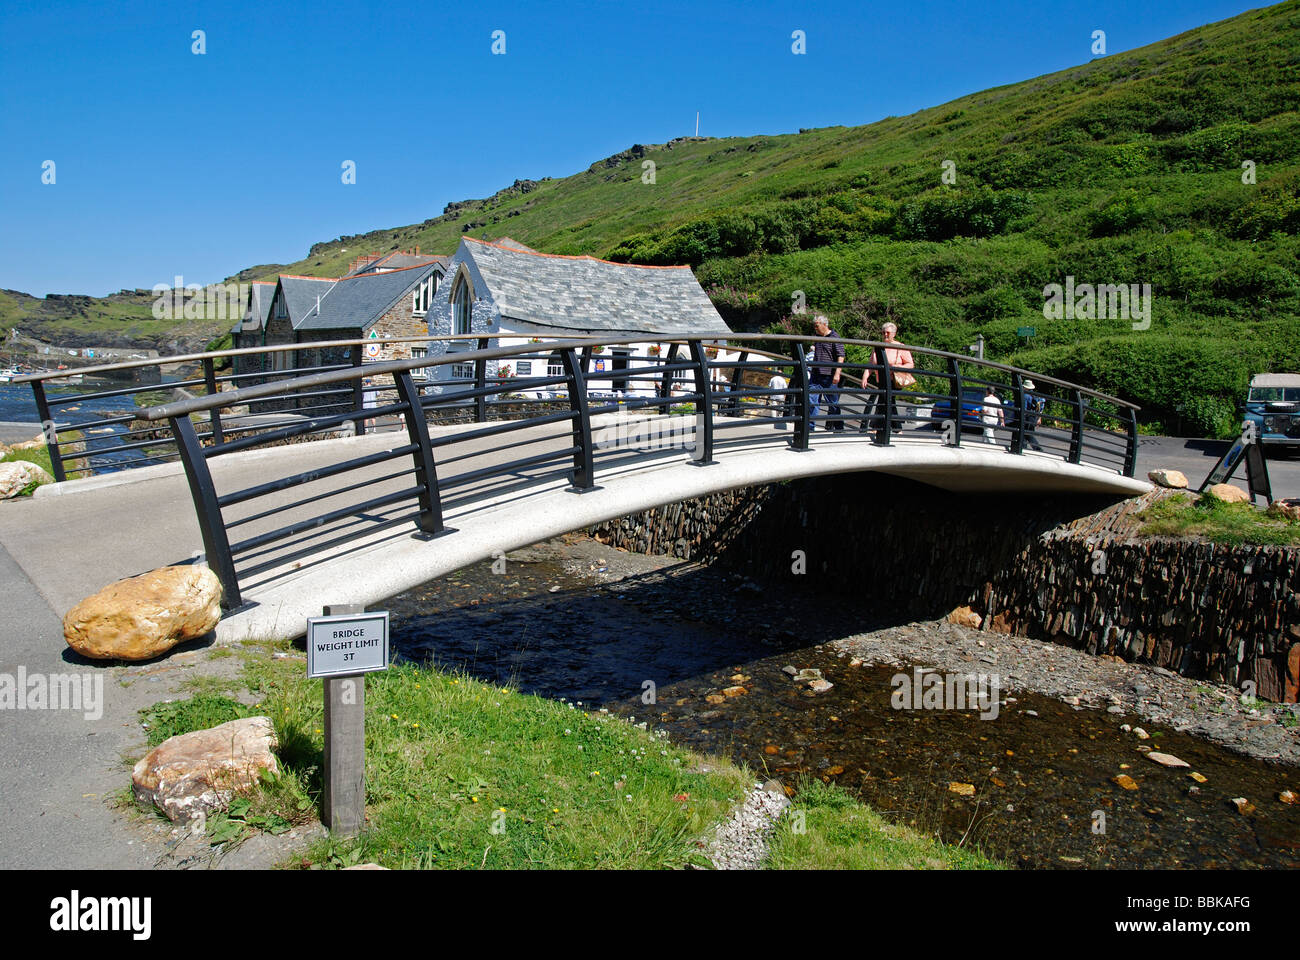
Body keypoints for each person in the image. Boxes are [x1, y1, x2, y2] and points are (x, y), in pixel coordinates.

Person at [862, 321, 915, 434]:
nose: (885, 335)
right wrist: (865, 376)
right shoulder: (879, 347)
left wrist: (896, 366)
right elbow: (871, 364)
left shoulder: (900, 347)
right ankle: (896, 428)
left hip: (893, 380)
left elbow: (910, 364)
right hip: (880, 379)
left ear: (894, 334)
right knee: (889, 402)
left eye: (888, 333)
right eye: (883, 332)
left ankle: (877, 427)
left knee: (884, 401)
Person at [808, 315, 845, 432]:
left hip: (828, 376)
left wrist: (837, 373)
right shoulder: (817, 337)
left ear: (825, 324)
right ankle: (810, 427)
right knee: (811, 400)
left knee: (833, 403)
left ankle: (839, 427)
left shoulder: (834, 337)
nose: (815, 328)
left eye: (817, 326)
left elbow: (841, 356)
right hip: (816, 374)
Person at [1022, 379, 1045, 451]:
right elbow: (1041, 407)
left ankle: (1037, 448)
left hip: (1027, 417)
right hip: (1033, 416)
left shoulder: (1025, 395)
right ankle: (1023, 447)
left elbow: (1024, 408)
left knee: (1025, 433)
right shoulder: (1035, 396)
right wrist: (1039, 418)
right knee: (1026, 433)